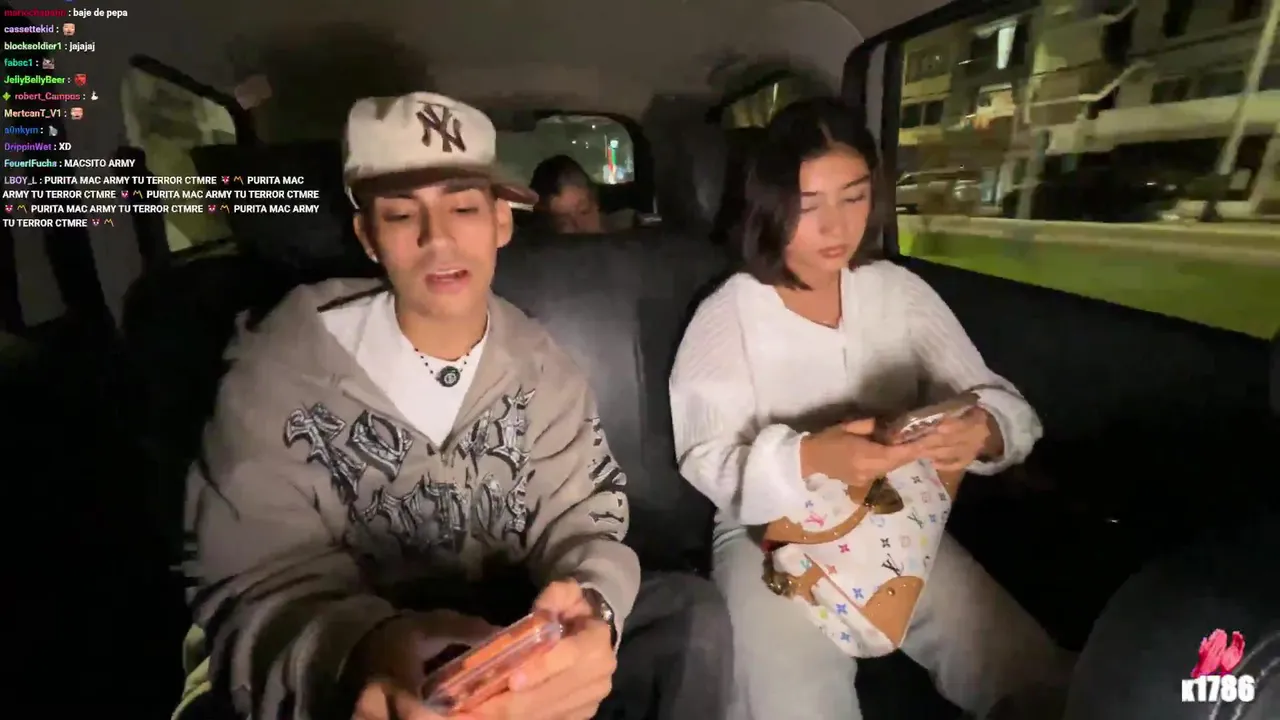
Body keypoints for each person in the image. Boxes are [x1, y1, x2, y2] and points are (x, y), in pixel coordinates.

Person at [178, 92, 730, 720]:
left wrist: (590, 608)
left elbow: (583, 522)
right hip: (358, 660)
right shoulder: (279, 370)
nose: (437, 238)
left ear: (502, 223)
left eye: (463, 207)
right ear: (368, 236)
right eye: (400, 213)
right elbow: (253, 585)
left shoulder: (543, 368)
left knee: (689, 614)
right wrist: (362, 652)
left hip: (509, 636)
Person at [669, 97, 1075, 720]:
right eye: (809, 205)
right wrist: (809, 458)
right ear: (770, 205)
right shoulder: (730, 313)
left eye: (854, 197)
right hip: (767, 530)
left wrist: (983, 430)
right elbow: (705, 458)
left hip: (895, 513)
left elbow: (999, 401)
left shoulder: (898, 293)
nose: (836, 227)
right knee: (793, 705)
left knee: (1032, 676)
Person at [529, 155, 635, 233]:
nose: (580, 226)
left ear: (596, 204)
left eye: (584, 211)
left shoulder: (630, 232)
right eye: (563, 222)